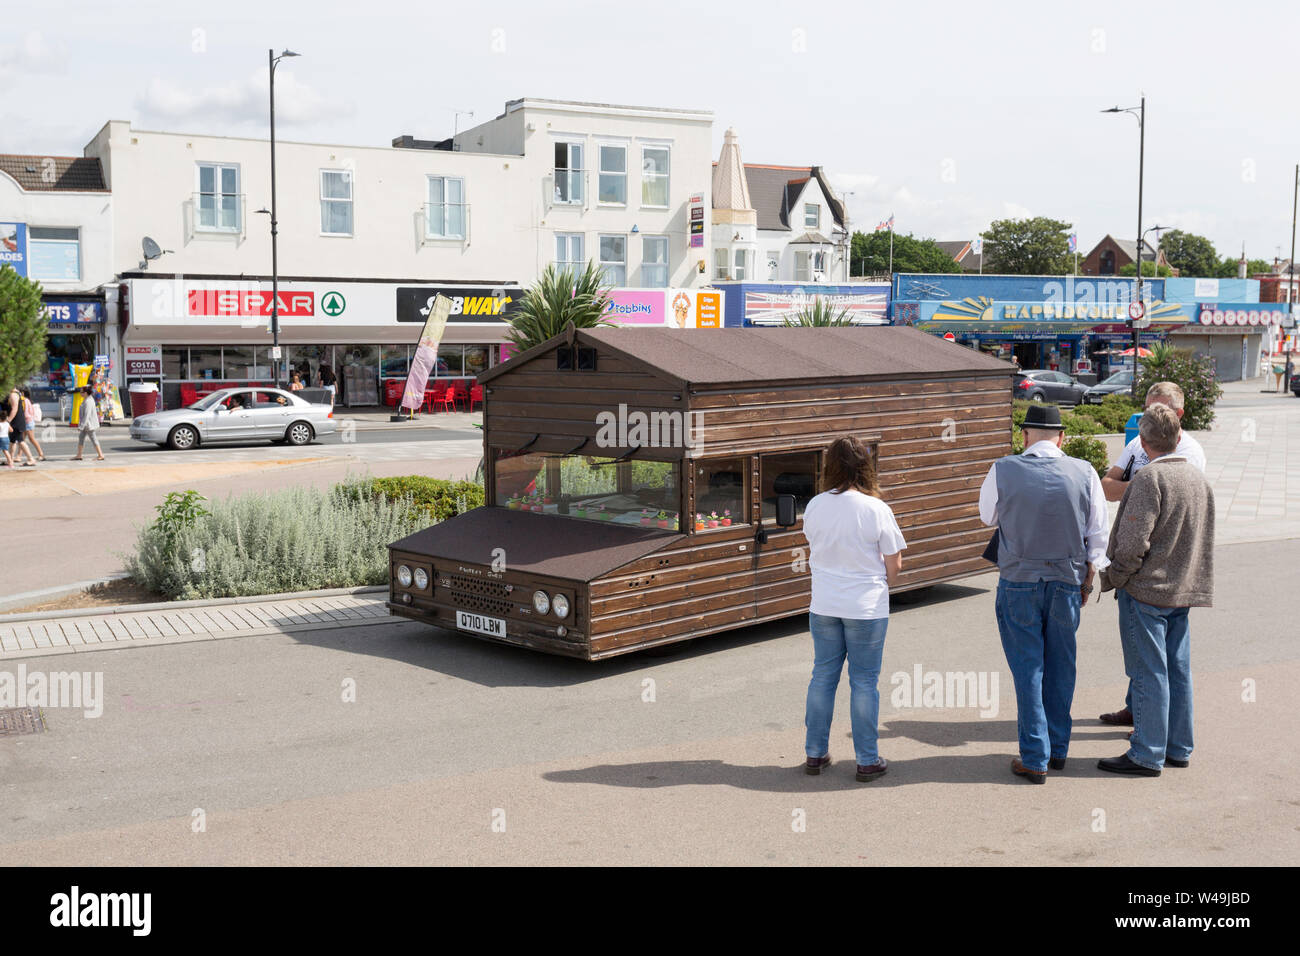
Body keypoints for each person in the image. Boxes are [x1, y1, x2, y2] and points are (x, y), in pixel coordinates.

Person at [979, 404, 1110, 783]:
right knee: (1061, 666)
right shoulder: (1084, 472)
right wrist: (1087, 577)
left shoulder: (1003, 468)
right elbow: (1097, 535)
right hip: (1066, 580)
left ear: (1024, 436)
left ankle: (1035, 755)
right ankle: (1058, 748)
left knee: (1028, 669)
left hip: (1019, 579)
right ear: (1061, 437)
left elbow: (988, 516)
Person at [1098, 405, 1214, 776]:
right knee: (1177, 670)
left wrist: (1114, 577)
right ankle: (1178, 747)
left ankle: (1146, 752)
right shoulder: (1197, 478)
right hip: (1182, 588)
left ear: (1143, 444)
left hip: (1147, 590)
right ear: (1178, 438)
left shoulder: (1149, 479)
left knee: (1149, 672)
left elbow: (1132, 543)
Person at [800, 436, 906, 782]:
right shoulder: (876, 508)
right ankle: (867, 760)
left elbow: (814, 545)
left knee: (822, 677)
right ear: (866, 465)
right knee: (863, 682)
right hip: (866, 607)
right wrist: (882, 583)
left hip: (824, 604)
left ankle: (815, 754)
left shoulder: (815, 505)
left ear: (829, 466)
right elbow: (895, 563)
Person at [5, 385, 37, 467]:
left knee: (20, 441)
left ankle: (31, 459)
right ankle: (10, 459)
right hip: (17, 421)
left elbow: (14, 408)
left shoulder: (13, 395)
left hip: (16, 421)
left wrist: (8, 420)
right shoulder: (16, 393)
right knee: (12, 441)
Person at [71, 386, 105, 461]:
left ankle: (100, 455)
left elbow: (87, 415)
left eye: (81, 392)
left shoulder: (88, 401)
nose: (80, 393)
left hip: (89, 424)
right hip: (86, 424)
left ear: (86, 393)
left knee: (93, 439)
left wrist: (81, 426)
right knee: (81, 438)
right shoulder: (87, 399)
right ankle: (79, 455)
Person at [20, 388, 46, 461]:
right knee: (21, 440)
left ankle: (41, 454)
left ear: (23, 393)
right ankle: (18, 456)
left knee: (31, 439)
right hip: (26, 421)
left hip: (27, 422)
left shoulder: (25, 400)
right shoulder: (26, 400)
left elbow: (26, 413)